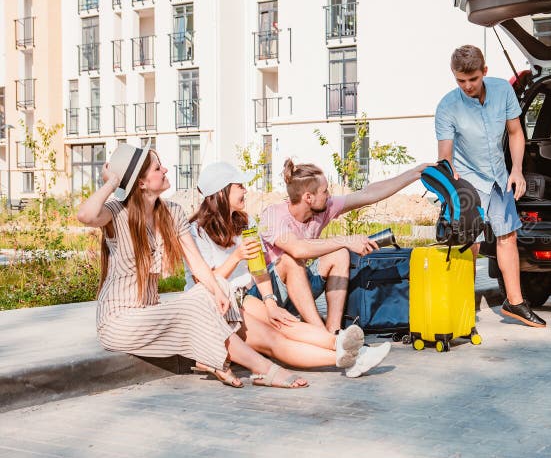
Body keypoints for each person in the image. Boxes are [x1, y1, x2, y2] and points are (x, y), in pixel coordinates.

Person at [76, 143, 307, 389]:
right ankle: (264, 369)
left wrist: (218, 292)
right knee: (194, 306)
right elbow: (86, 215)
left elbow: (197, 263)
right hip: (120, 321)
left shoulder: (171, 212)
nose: (165, 169)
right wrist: (113, 182)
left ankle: (211, 358)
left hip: (151, 313)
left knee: (216, 284)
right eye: (157, 167)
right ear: (141, 183)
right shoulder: (115, 213)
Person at [184, 162, 391, 378]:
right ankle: (353, 359)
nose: (246, 190)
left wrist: (271, 302)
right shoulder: (195, 232)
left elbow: (259, 268)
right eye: (239, 186)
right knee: (276, 341)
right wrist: (236, 257)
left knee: (286, 324)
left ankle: (346, 346)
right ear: (222, 191)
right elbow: (204, 283)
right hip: (210, 304)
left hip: (240, 298)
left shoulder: (246, 222)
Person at [435, 44, 547, 328]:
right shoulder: (447, 106)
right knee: (467, 241)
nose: (467, 86)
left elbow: (515, 132)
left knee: (507, 235)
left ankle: (515, 303)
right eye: (461, 80)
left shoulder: (502, 91)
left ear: (484, 72)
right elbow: (445, 156)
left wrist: (517, 170)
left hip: (498, 175)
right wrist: (454, 193)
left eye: (473, 79)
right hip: (467, 178)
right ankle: (463, 308)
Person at [259, 158, 428, 333]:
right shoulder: (273, 215)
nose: (329, 195)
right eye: (325, 191)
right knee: (291, 260)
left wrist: (415, 173)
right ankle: (321, 334)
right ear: (308, 197)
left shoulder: (322, 208)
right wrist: (346, 240)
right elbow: (298, 249)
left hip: (300, 290)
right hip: (270, 297)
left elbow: (367, 194)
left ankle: (334, 330)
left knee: (339, 254)